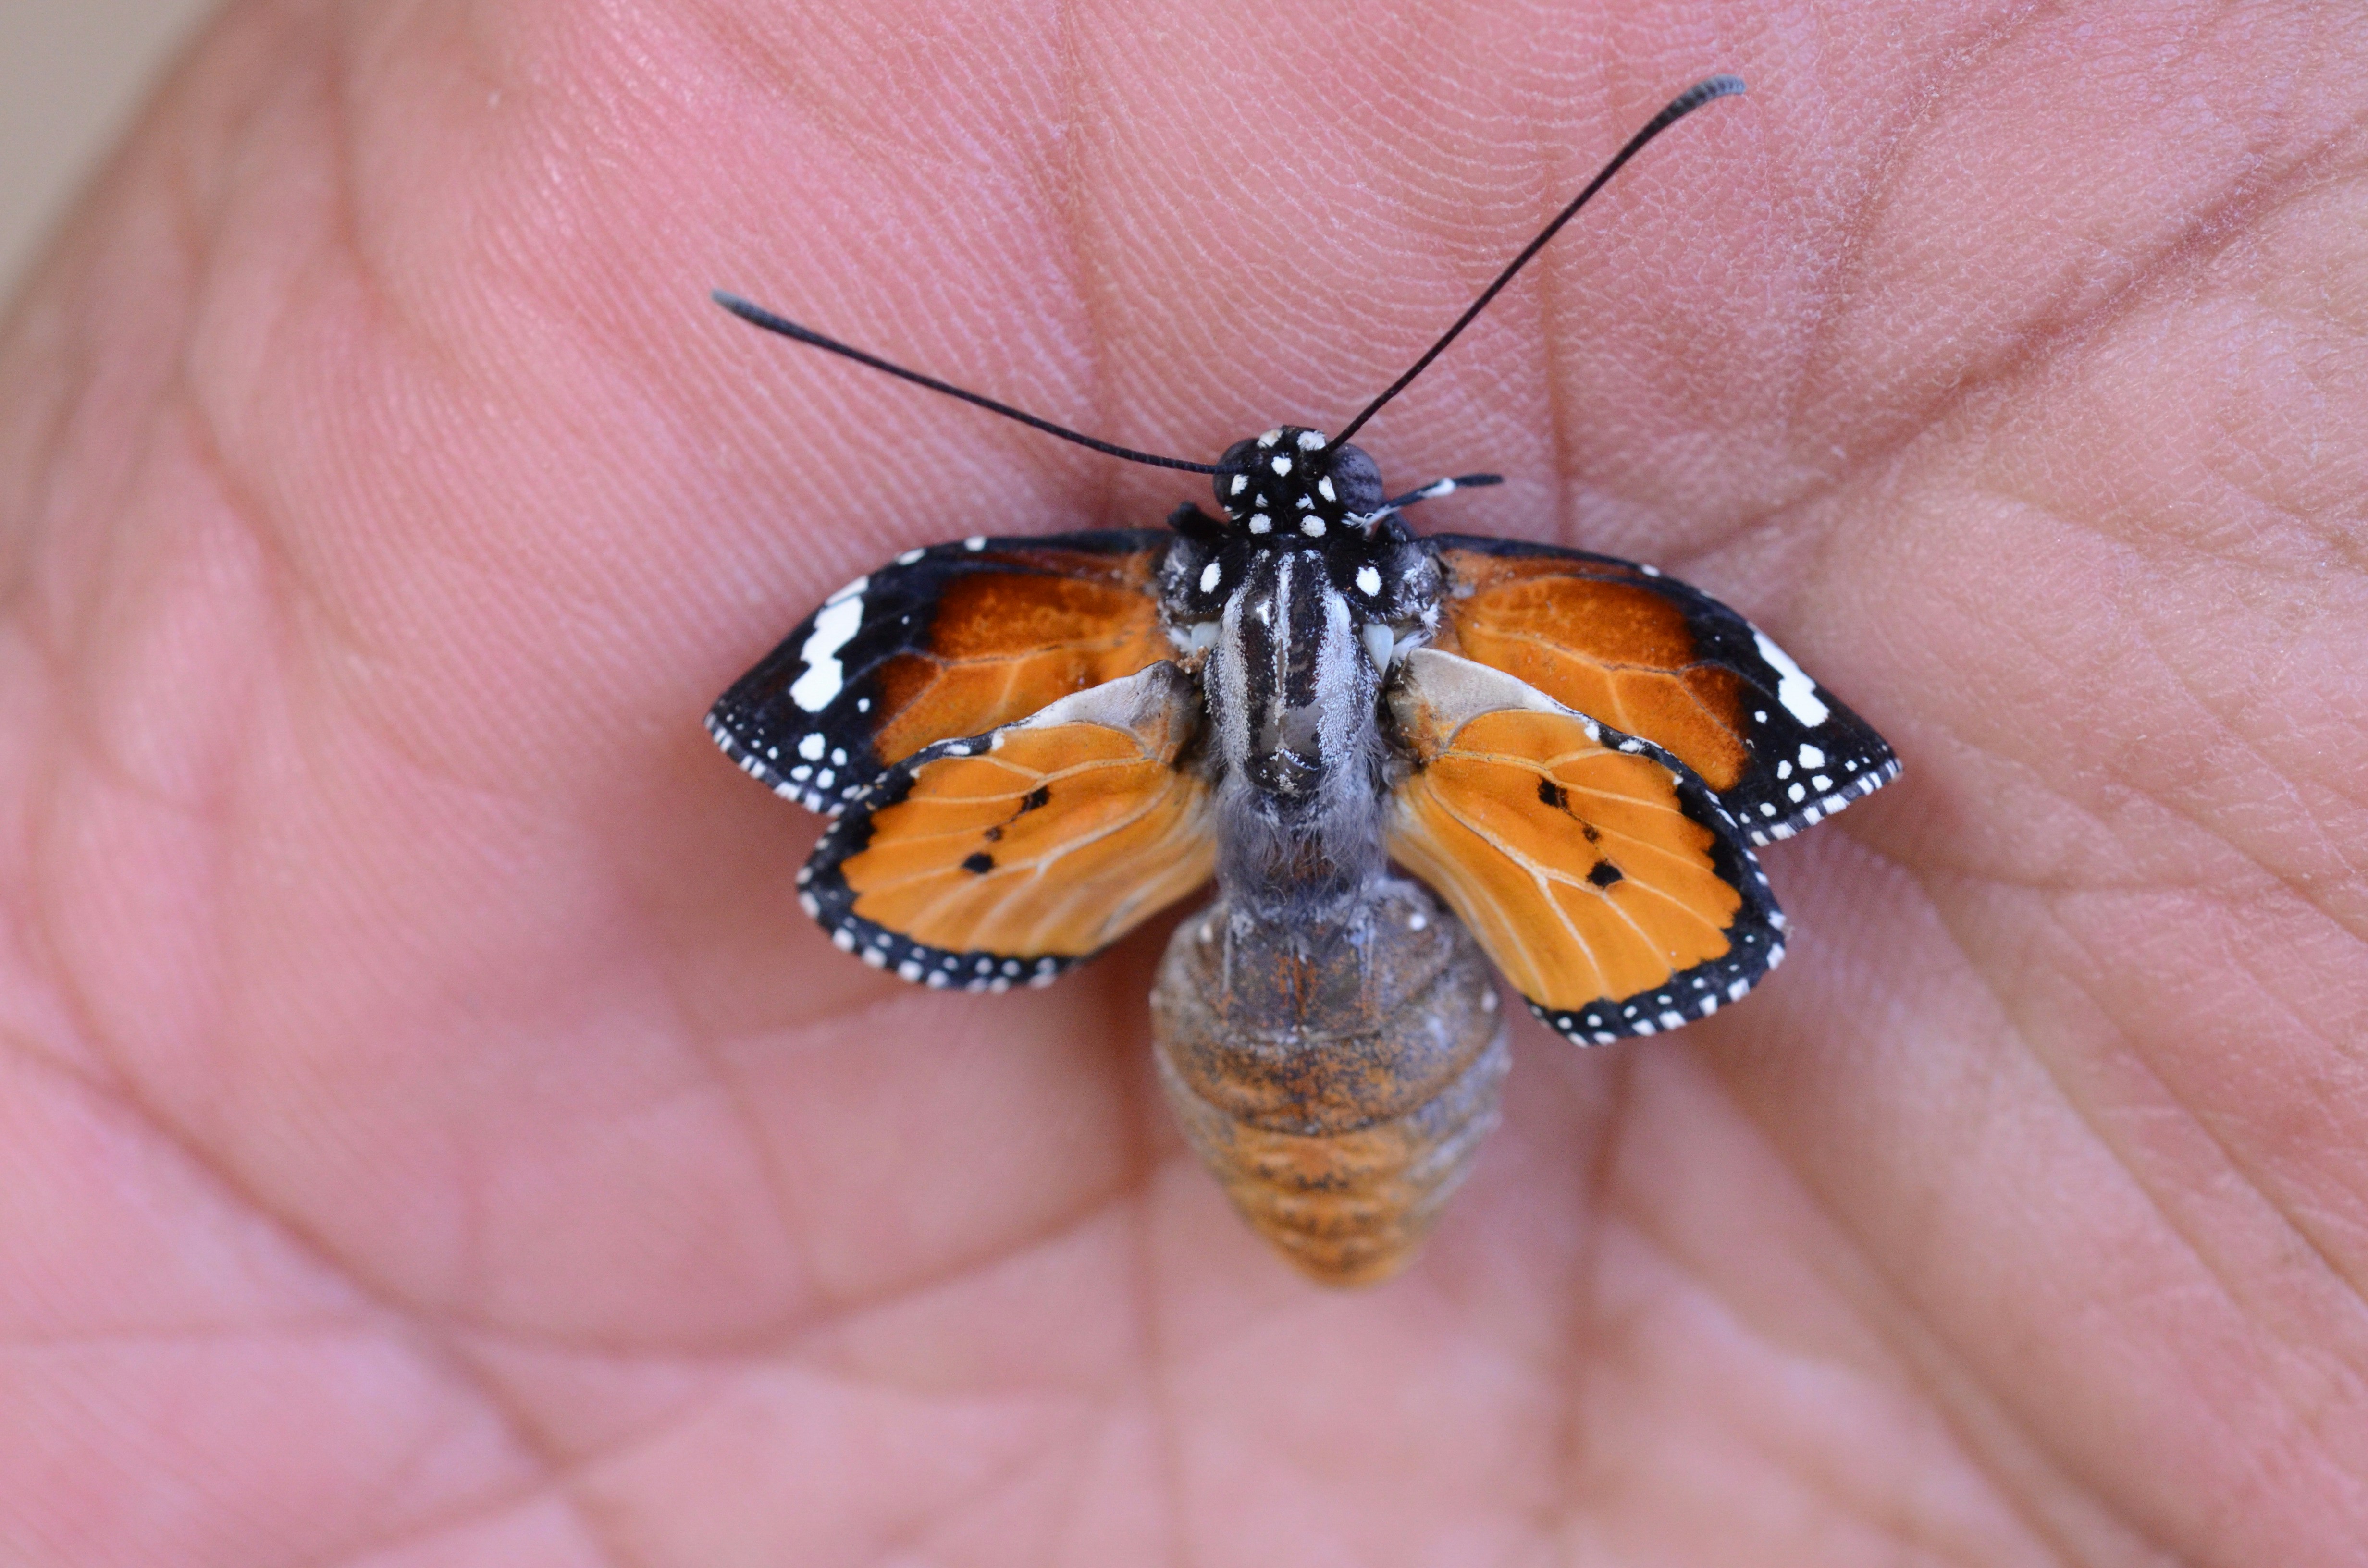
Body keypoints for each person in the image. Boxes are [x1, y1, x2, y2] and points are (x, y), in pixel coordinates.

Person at [2, 1, 2359, 1561]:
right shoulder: (1461, 605)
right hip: (1368, 919)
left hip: (1251, 926)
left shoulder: (1148, 616)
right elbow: (834, 703)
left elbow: (1757, 731)